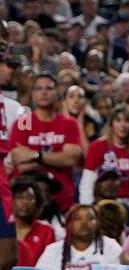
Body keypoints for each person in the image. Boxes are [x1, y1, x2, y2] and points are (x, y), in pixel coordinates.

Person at [6, 73, 84, 210]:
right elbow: (21, 164)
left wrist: (35, 155)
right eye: (39, 88)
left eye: (49, 88)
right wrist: (56, 159)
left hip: (62, 201)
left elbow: (70, 159)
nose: (44, 92)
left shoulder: (70, 124)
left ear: (57, 92)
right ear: (33, 94)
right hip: (28, 203)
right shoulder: (23, 123)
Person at [36, 204, 124, 270]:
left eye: (90, 218)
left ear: (98, 223)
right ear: (68, 224)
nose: (84, 223)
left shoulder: (111, 246)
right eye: (78, 218)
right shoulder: (53, 250)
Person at [80, 105, 129, 211]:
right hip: (103, 204)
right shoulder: (97, 147)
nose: (123, 125)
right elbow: (87, 183)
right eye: (118, 120)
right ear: (111, 123)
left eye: (127, 121)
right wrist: (88, 209)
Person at [11, 178, 55, 266]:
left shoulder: (47, 231)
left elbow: (50, 263)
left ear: (37, 202)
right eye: (19, 197)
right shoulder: (3, 229)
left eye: (30, 198)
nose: (25, 202)